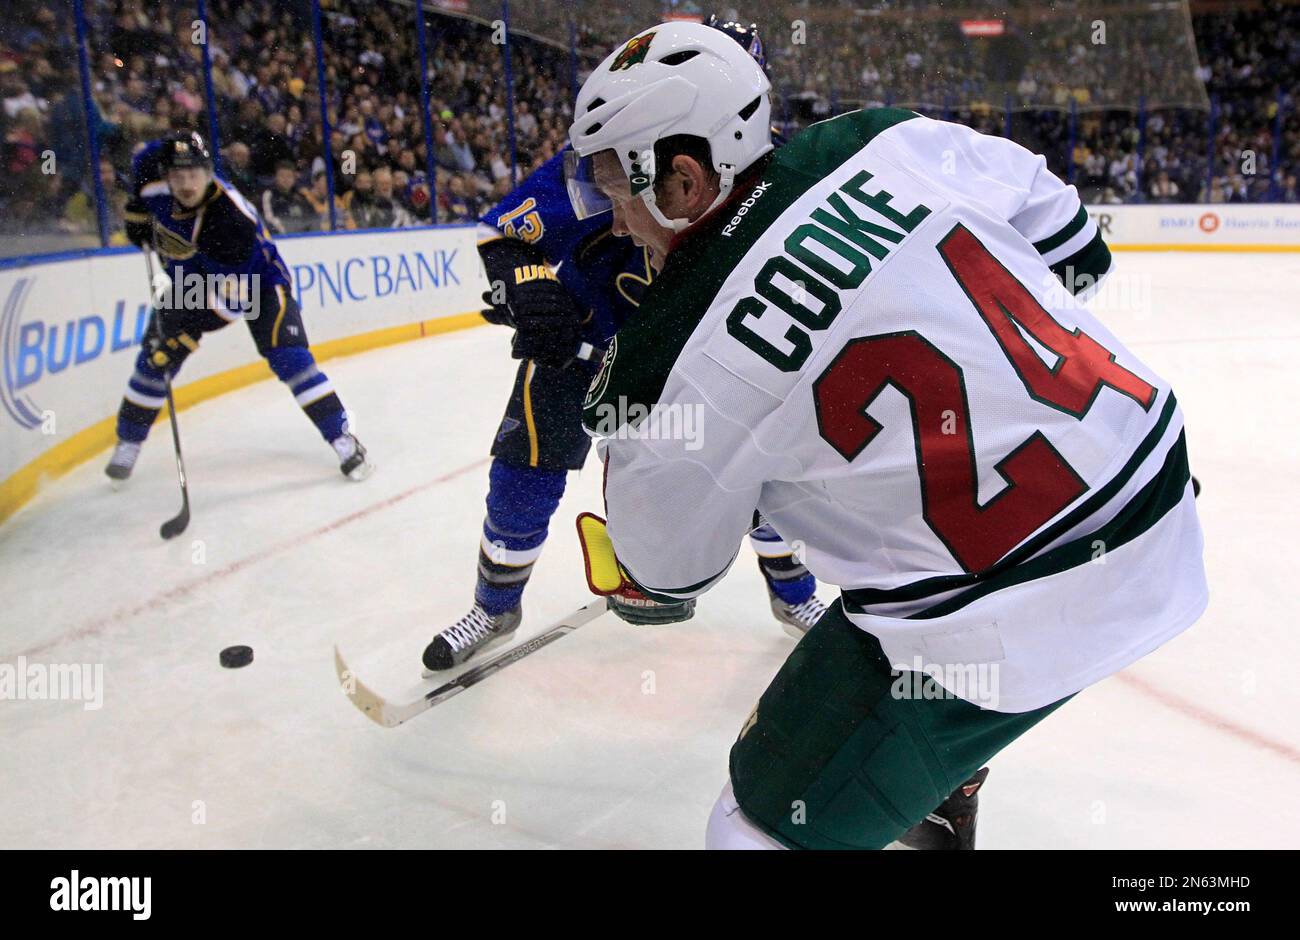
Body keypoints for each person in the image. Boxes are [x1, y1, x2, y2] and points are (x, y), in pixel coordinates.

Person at [566, 21, 1208, 849]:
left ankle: (929, 764)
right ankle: (942, 777)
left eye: (616, 184)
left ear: (683, 180)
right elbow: (1079, 252)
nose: (613, 219)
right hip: (1154, 480)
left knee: (753, 826)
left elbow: (665, 573)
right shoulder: (888, 134)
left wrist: (630, 368)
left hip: (1015, 603)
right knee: (895, 539)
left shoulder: (667, 364)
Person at [420, 16, 829, 675]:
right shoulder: (624, 154)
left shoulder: (775, 177)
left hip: (698, 358)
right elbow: (508, 235)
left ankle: (794, 592)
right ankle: (496, 602)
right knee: (527, 462)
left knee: (754, 470)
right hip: (583, 342)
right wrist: (529, 288)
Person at [104, 132, 373, 484]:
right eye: (178, 175)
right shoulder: (150, 176)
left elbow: (232, 299)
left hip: (257, 283)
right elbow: (145, 160)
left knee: (290, 358)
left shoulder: (230, 220)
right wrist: (137, 213)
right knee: (155, 359)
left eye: (194, 175)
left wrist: (181, 323)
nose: (186, 184)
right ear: (166, 174)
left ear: (209, 173)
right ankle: (128, 442)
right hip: (189, 281)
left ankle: (342, 437)